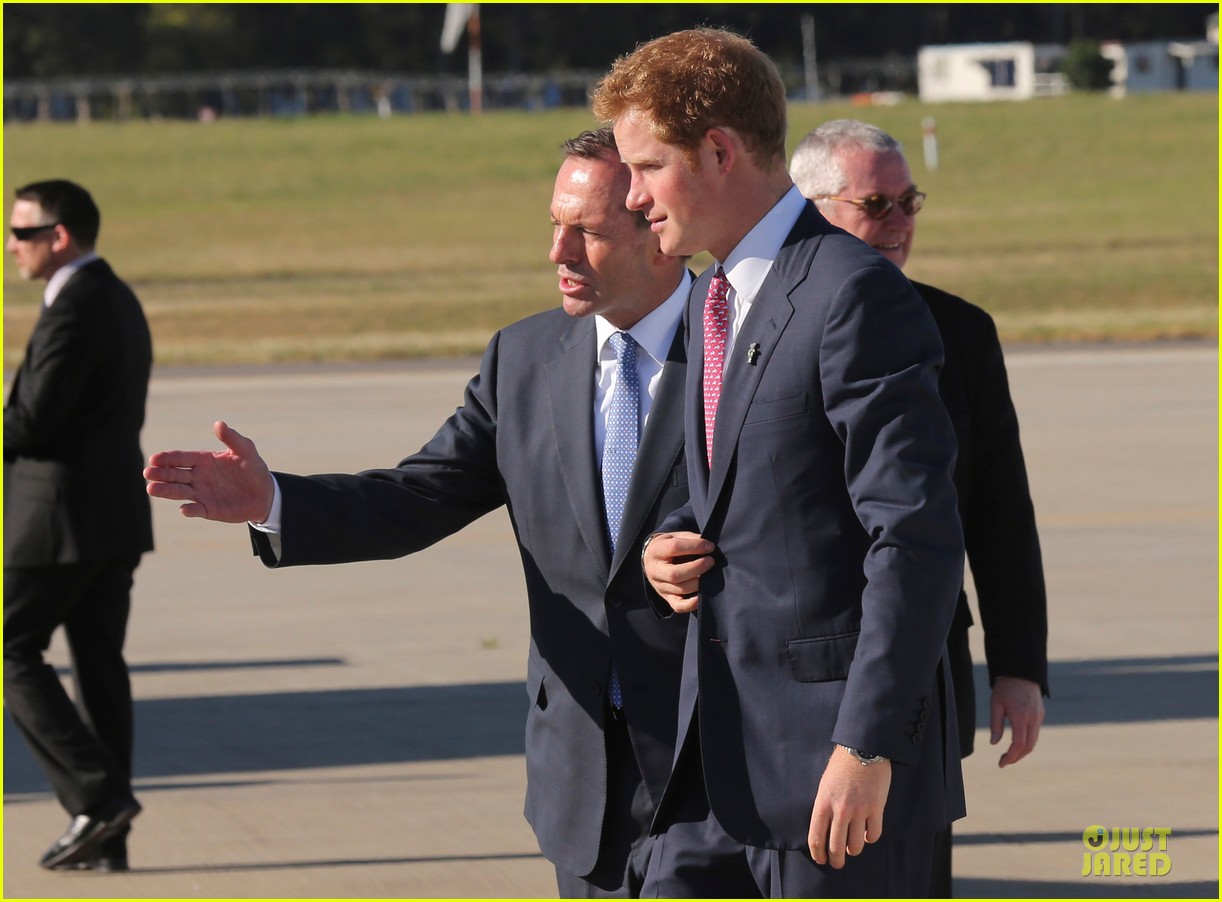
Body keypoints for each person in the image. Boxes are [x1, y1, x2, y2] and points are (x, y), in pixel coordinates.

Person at [144, 128, 694, 898]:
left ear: (659, 230)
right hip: (586, 780)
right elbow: (419, 495)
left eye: (589, 232)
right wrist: (274, 501)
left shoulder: (744, 347)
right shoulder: (524, 359)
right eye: (554, 225)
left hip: (716, 772)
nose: (558, 252)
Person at [592, 29, 966, 897]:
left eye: (647, 167)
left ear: (719, 152)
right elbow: (748, 482)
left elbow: (914, 537)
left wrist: (867, 742)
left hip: (835, 778)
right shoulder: (717, 296)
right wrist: (673, 539)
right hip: (717, 770)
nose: (633, 196)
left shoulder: (852, 293)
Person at [790, 118, 1050, 896]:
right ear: (811, 208)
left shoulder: (960, 331)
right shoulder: (753, 319)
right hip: (782, 676)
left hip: (918, 678)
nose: (900, 222)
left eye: (910, 202)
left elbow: (999, 510)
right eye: (877, 204)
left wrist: (1019, 666)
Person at [4, 179, 152, 872]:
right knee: (99, 669)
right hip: (111, 517)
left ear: (58, 236)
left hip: (57, 519)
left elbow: (36, 420)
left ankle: (97, 798)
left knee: (10, 648)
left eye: (21, 233)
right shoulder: (114, 296)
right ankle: (107, 837)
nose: (12, 247)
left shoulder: (76, 306)